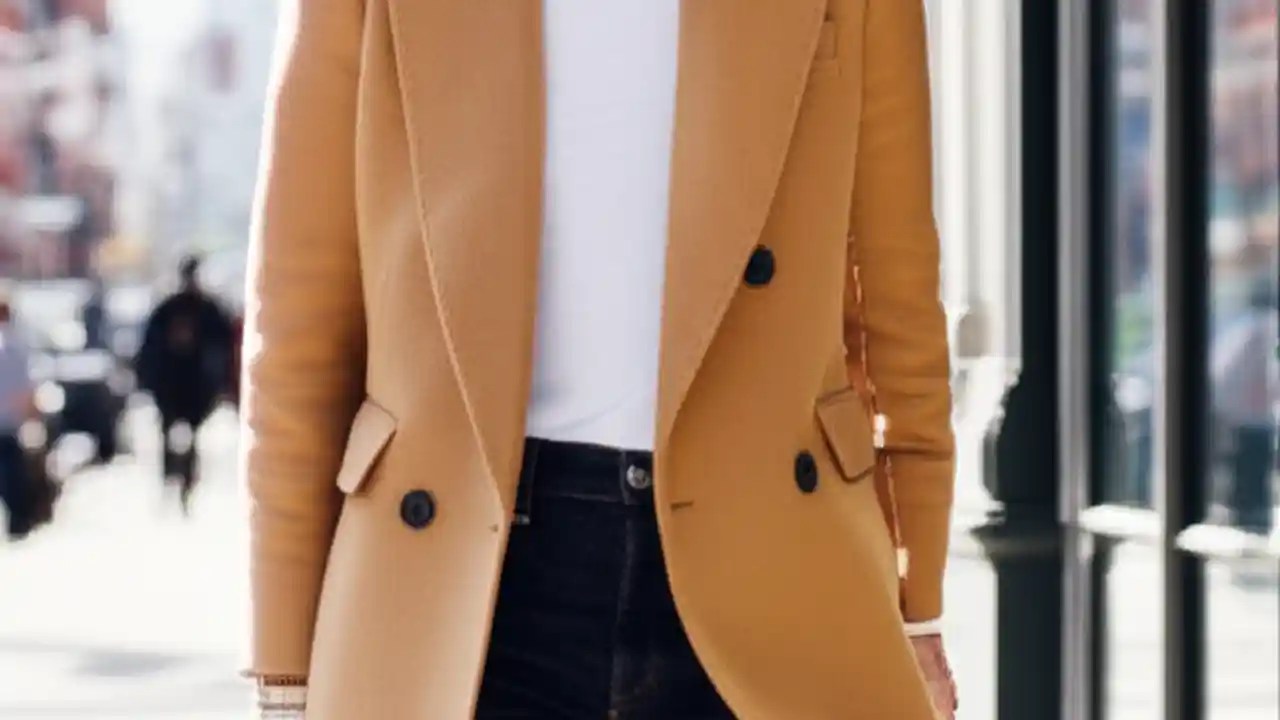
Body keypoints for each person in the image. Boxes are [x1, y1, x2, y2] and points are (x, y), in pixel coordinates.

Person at [242, 1, 958, 718]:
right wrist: (285, 672)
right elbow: (303, 319)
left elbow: (893, 301)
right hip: (461, 591)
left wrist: (916, 604)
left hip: (775, 571)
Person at [136, 255, 234, 514]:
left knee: (191, 438)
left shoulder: (207, 309)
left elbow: (223, 347)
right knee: (169, 436)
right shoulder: (169, 308)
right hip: (171, 385)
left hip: (195, 387)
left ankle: (185, 485)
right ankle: (170, 482)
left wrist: (219, 383)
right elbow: (150, 348)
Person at [0, 291, 36, 538]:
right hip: (9, 422)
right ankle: (18, 523)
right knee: (11, 476)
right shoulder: (14, 346)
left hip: (8, 420)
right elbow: (26, 387)